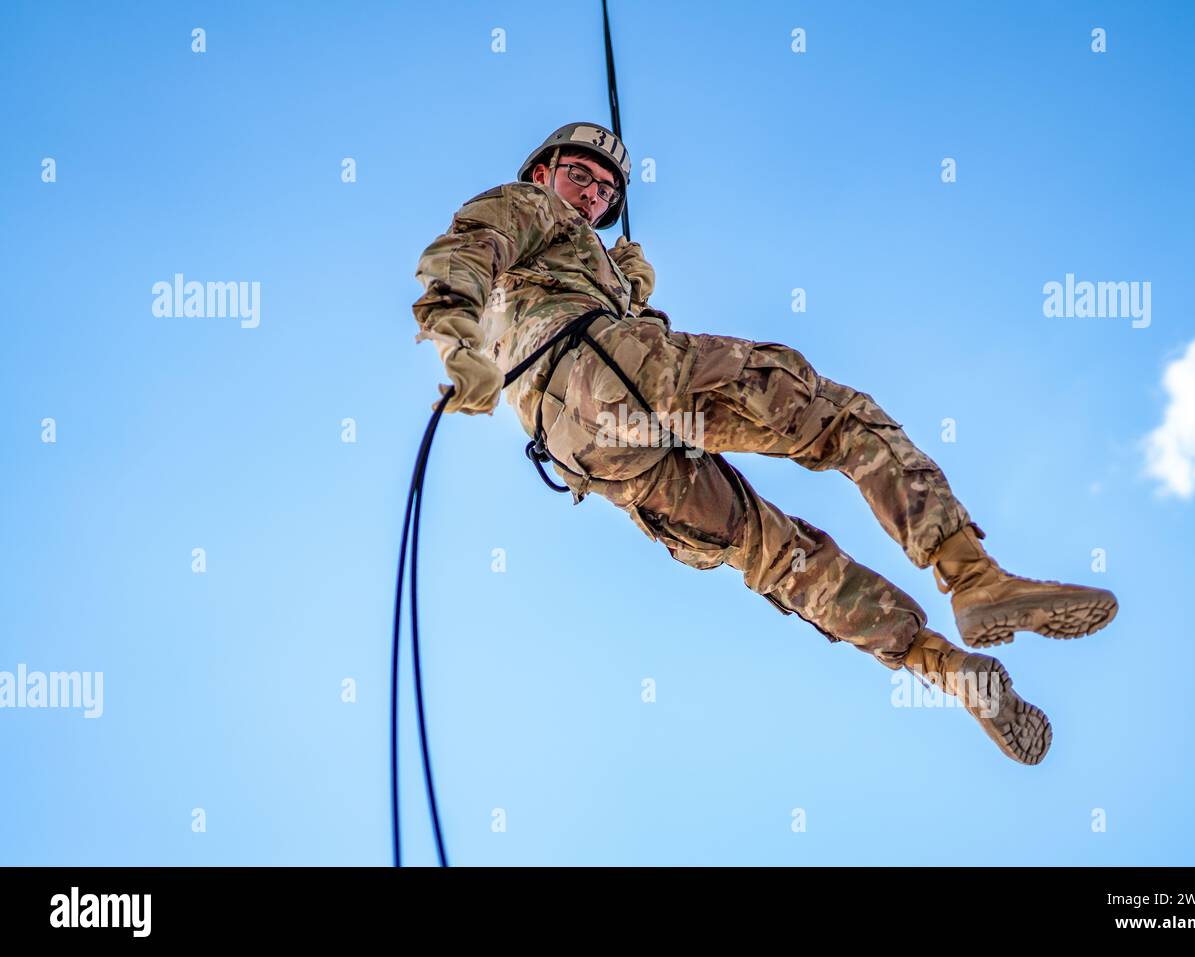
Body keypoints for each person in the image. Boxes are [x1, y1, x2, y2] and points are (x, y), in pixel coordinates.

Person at [410, 122, 1118, 765]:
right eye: (581, 176)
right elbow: (463, 253)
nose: (593, 195)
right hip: (609, 371)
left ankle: (948, 669)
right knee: (838, 419)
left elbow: (524, 291)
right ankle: (973, 577)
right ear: (542, 173)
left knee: (773, 552)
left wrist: (627, 286)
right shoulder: (529, 207)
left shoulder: (578, 261)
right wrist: (455, 342)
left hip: (587, 446)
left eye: (605, 191)